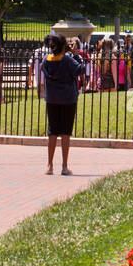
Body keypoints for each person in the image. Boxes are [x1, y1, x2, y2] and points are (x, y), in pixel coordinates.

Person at [41, 34, 81, 176]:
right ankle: (64, 166)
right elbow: (79, 70)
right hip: (68, 99)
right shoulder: (67, 60)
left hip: (52, 98)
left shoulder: (47, 60)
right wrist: (75, 54)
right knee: (65, 132)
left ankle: (50, 166)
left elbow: (42, 69)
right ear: (64, 45)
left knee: (52, 131)